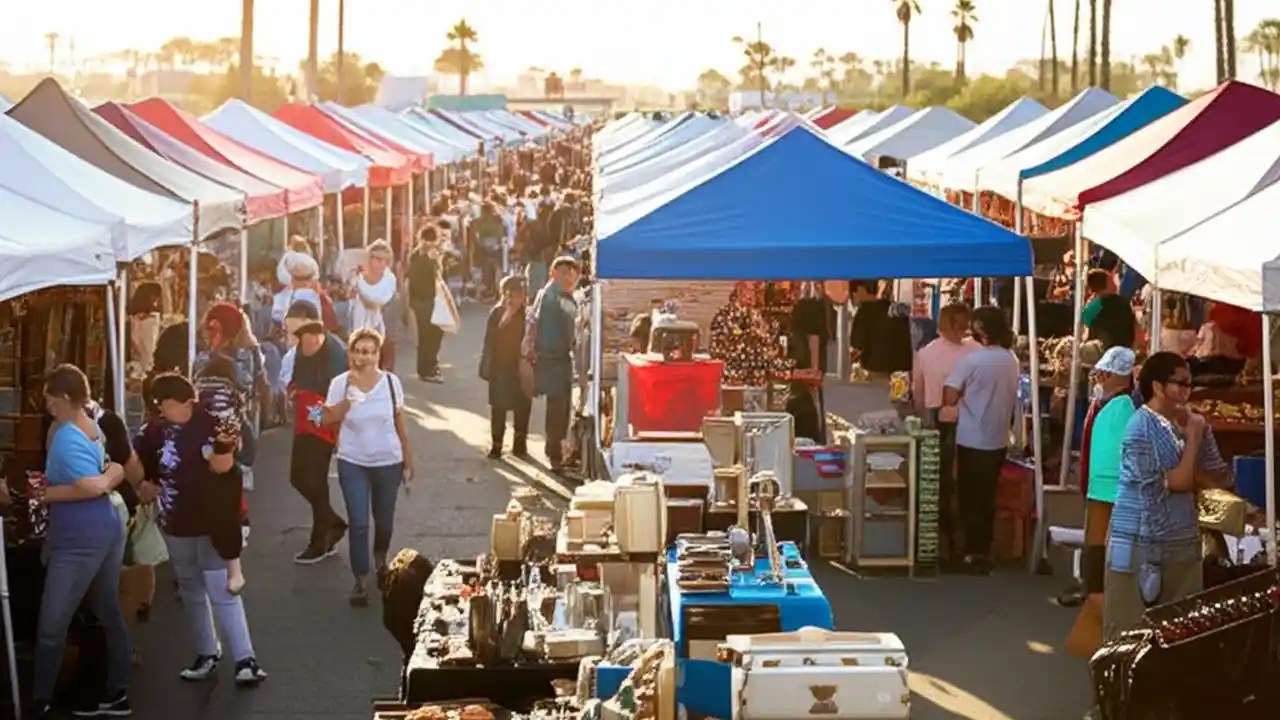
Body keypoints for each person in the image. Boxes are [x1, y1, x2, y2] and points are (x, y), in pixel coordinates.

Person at [134, 373, 267, 686]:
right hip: (175, 521)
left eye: (167, 405)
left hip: (212, 521)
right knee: (191, 589)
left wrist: (224, 445)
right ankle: (207, 653)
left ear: (185, 401)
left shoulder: (212, 422)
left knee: (221, 589)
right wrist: (143, 483)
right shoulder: (155, 430)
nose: (164, 411)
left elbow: (226, 465)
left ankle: (245, 659)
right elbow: (139, 459)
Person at [1104, 352, 1230, 638]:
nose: (1188, 391)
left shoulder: (1188, 424)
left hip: (1181, 543)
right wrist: (1194, 438)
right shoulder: (1139, 428)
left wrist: (1200, 435)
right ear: (1158, 387)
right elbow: (1179, 481)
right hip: (1138, 544)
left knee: (1180, 633)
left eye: (1190, 384)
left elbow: (1217, 476)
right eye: (1181, 384)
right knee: (1130, 633)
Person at [33, 365, 132, 719]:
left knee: (52, 624)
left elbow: (93, 485)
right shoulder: (91, 422)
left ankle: (39, 700)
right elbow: (113, 470)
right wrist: (111, 476)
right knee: (107, 609)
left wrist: (41, 494)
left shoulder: (64, 435)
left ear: (62, 398)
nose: (44, 402)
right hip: (105, 526)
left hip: (79, 536)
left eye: (48, 396)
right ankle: (118, 691)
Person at [322, 328, 413, 607]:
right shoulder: (340, 383)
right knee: (359, 522)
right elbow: (322, 418)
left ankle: (380, 558)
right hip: (353, 461)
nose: (364, 357)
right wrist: (348, 400)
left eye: (370, 352)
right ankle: (361, 579)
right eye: (358, 351)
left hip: (388, 460)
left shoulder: (390, 383)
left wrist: (409, 460)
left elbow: (399, 421)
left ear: (377, 355)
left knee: (384, 521)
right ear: (351, 354)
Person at [941, 306, 1019, 574]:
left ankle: (969, 553)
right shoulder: (1011, 359)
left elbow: (949, 395)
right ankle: (983, 550)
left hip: (972, 436)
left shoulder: (972, 360)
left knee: (968, 496)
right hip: (997, 438)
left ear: (981, 329)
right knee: (986, 496)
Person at [282, 303, 350, 564]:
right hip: (305, 417)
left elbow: (342, 389)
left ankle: (320, 537)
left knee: (315, 477)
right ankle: (331, 523)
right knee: (298, 477)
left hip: (323, 418)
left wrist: (329, 419)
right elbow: (297, 375)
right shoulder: (301, 347)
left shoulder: (334, 350)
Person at [912, 303, 979, 562]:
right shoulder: (927, 353)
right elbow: (919, 392)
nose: (963, 328)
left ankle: (959, 540)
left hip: (970, 423)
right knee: (940, 483)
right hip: (939, 422)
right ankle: (942, 539)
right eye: (959, 322)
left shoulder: (976, 350)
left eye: (966, 323)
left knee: (963, 482)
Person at [192, 356, 249, 596]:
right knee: (227, 508)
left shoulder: (198, 387)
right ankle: (234, 567)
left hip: (205, 449)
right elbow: (236, 427)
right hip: (223, 450)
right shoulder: (232, 391)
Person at [529, 256, 580, 474]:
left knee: (555, 408)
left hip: (547, 357)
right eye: (564, 273)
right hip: (556, 358)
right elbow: (577, 320)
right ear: (553, 273)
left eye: (571, 274)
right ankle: (556, 455)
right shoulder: (560, 296)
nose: (568, 278)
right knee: (559, 410)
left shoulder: (544, 292)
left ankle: (554, 452)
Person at [481, 276, 532, 459]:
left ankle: (520, 444)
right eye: (508, 294)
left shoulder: (528, 315)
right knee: (498, 408)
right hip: (500, 368)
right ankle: (497, 446)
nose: (512, 299)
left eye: (517, 294)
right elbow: (489, 341)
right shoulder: (497, 313)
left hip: (521, 368)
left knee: (523, 408)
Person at [708, 282, 774, 387]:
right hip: (733, 380)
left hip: (757, 380)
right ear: (738, 290)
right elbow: (724, 348)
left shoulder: (757, 316)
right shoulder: (725, 315)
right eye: (749, 290)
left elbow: (767, 344)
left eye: (757, 292)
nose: (752, 295)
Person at [349, 240, 398, 370]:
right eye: (378, 259)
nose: (383, 264)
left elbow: (381, 300)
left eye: (386, 260)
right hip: (359, 324)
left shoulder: (389, 279)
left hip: (384, 327)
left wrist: (362, 293)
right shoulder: (358, 278)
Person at [408, 226, 445, 383]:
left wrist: (437, 261)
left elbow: (440, 277)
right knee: (426, 335)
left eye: (432, 240)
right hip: (421, 300)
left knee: (435, 333)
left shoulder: (432, 255)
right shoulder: (415, 256)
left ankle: (430, 365)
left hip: (432, 299)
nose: (428, 244)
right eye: (426, 240)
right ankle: (426, 368)